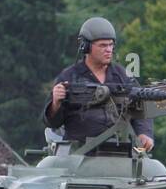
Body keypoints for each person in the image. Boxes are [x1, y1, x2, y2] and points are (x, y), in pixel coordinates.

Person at [43, 17, 155, 151]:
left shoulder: (122, 76)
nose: (108, 50)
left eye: (111, 45)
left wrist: (144, 134)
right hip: (79, 154)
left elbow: (140, 107)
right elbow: (52, 122)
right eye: (103, 45)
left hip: (118, 152)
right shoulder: (69, 77)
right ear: (86, 47)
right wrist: (56, 103)